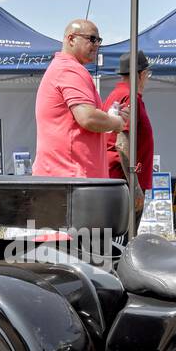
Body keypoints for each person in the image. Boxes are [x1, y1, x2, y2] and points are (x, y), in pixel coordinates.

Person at [33, 19, 124, 180]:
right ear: (71, 39)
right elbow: (88, 118)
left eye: (99, 40)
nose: (97, 45)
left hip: (67, 177)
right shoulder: (70, 69)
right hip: (72, 179)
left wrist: (107, 118)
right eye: (92, 39)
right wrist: (116, 122)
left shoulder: (63, 67)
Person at [101, 51, 153, 228]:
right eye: (148, 74)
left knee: (117, 237)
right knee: (125, 237)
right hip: (123, 180)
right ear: (141, 74)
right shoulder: (129, 96)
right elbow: (122, 142)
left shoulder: (118, 94)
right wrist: (134, 185)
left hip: (117, 178)